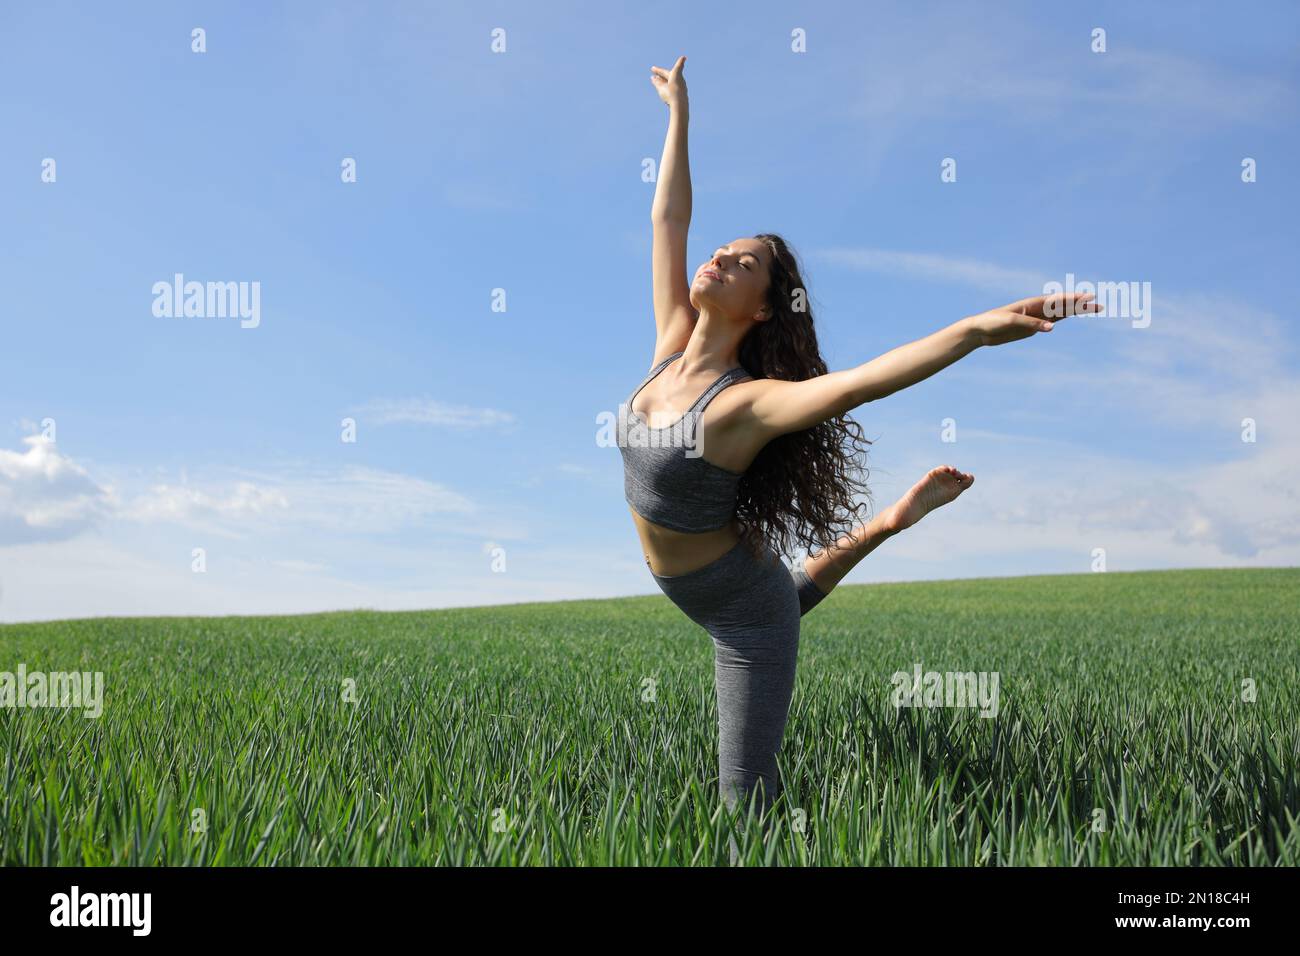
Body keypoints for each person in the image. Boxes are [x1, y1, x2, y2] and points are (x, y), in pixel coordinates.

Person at [619, 55, 1100, 865]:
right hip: (724, 583)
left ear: (763, 306)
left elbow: (861, 384)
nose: (721, 257)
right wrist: (679, 116)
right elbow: (669, 223)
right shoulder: (668, 347)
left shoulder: (745, 404)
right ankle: (895, 519)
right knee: (789, 587)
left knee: (746, 808)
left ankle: (890, 522)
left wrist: (980, 329)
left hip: (741, 616)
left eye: (745, 263)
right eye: (725, 250)